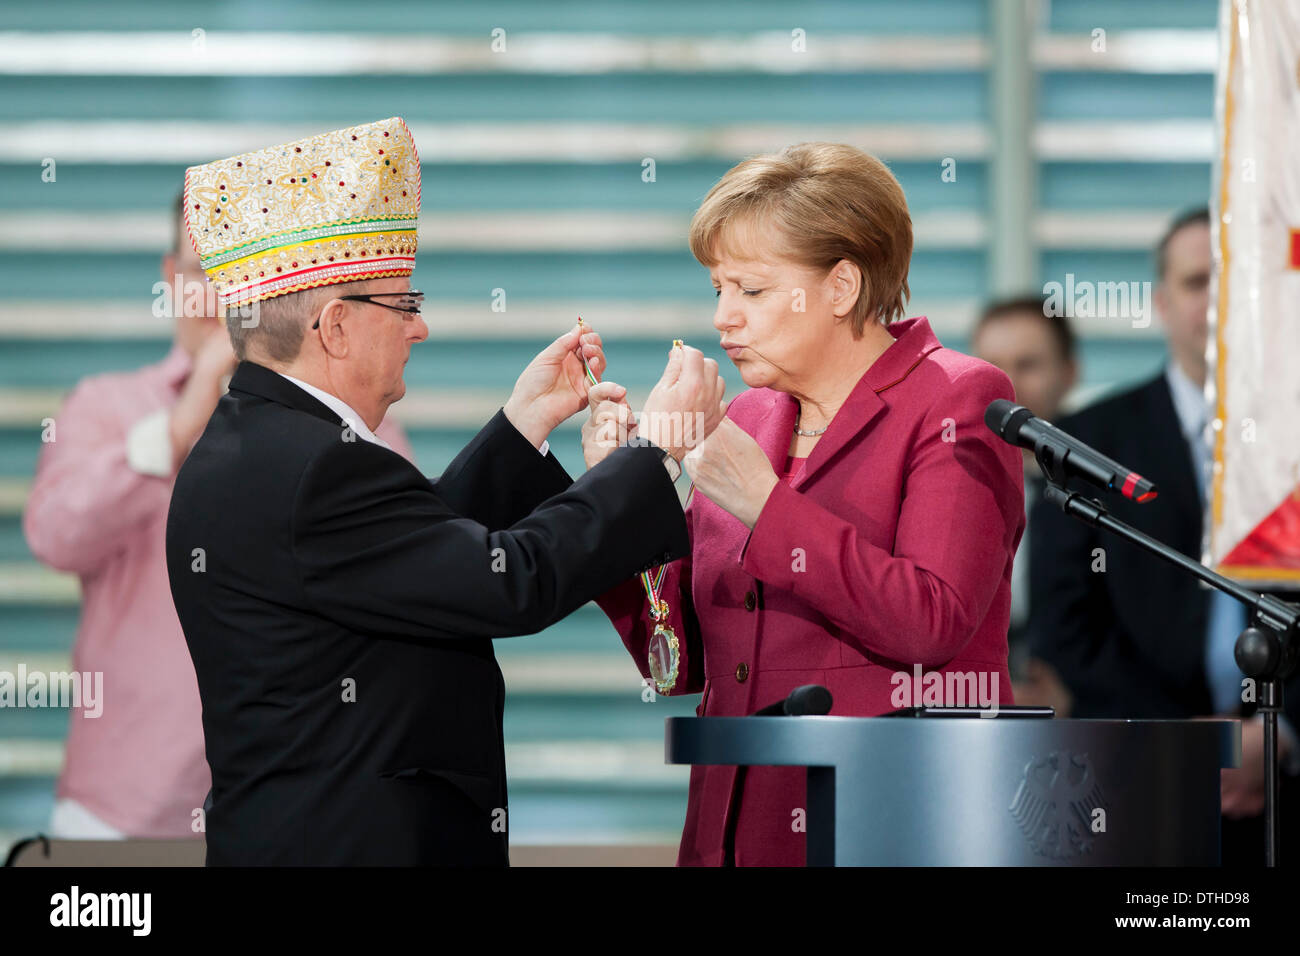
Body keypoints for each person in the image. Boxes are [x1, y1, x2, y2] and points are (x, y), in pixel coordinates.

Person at [165, 117, 725, 865]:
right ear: (334, 327)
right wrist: (657, 453)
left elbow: (416, 563)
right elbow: (509, 583)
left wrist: (523, 424)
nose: (421, 328)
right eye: (404, 304)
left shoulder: (259, 440)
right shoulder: (309, 467)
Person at [583, 142, 1025, 866]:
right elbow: (677, 667)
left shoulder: (957, 396)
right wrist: (621, 507)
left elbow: (932, 621)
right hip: (731, 826)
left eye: (750, 291)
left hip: (891, 822)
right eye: (717, 289)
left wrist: (763, 502)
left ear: (842, 285)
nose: (724, 318)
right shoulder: (751, 420)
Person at [23, 193, 413, 841]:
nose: (229, 302)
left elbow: (407, 562)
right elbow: (55, 535)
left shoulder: (351, 425)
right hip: (122, 818)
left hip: (298, 821)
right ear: (173, 279)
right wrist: (181, 426)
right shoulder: (106, 408)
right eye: (207, 277)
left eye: (247, 278)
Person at [1027, 207, 1300, 865]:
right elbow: (1066, 630)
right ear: (1160, 301)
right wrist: (1178, 742)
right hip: (1138, 793)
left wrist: (1283, 731)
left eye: (1239, 279)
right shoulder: (1088, 445)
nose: (1219, 299)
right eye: (1198, 279)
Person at [970, 294, 1077, 714]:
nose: (1007, 384)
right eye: (992, 366)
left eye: (1028, 364)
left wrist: (1075, 699)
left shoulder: (1102, 491)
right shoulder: (941, 481)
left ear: (1069, 374)